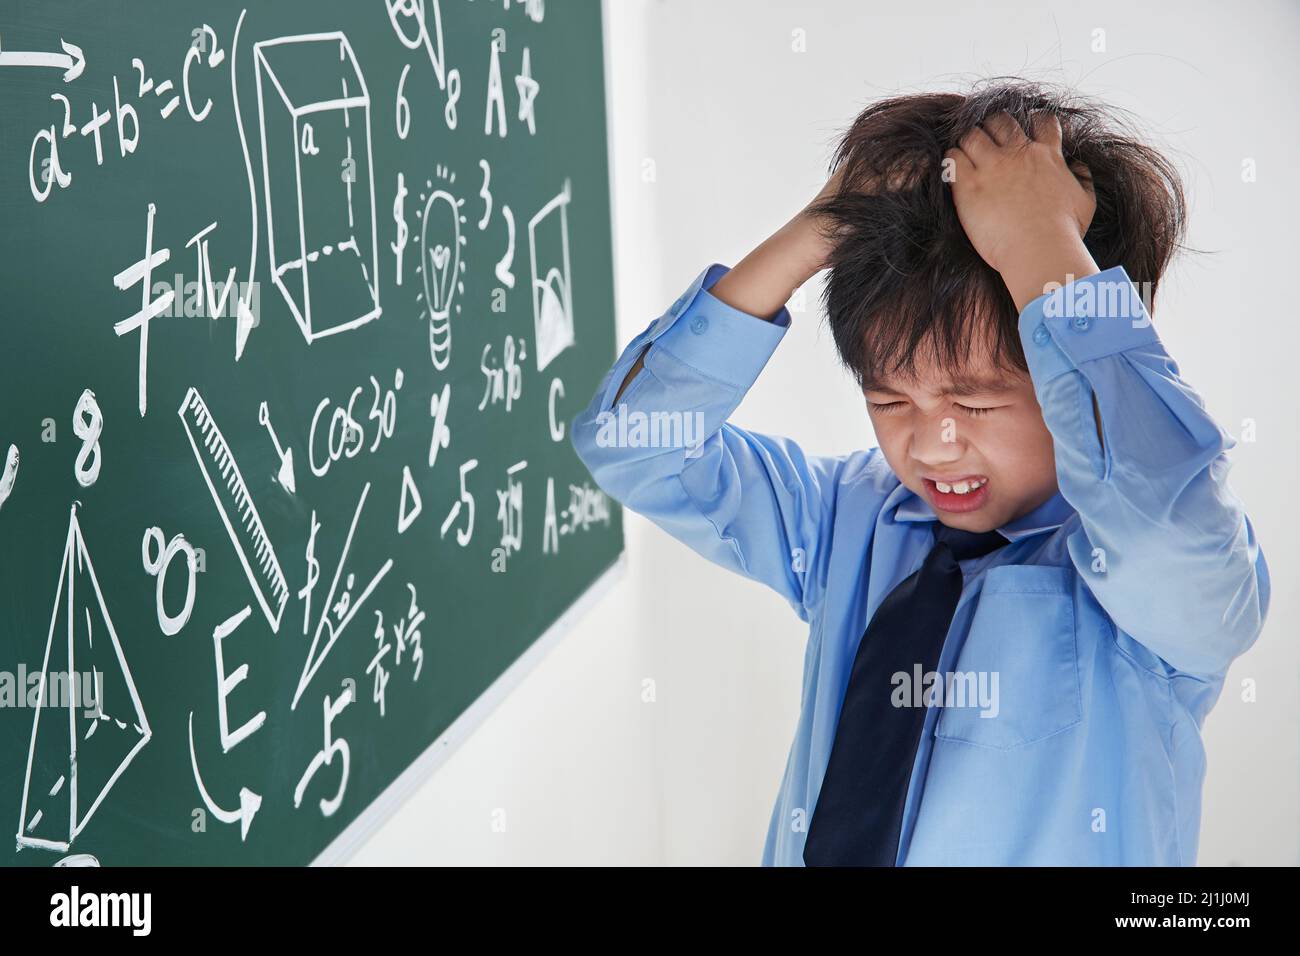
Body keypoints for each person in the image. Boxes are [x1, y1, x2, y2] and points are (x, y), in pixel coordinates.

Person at [570, 80, 1269, 866]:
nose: (932, 447)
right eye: (888, 397)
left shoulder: (1151, 583)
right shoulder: (848, 517)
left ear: (1060, 363)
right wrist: (816, 232)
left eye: (975, 403)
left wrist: (1043, 247)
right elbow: (632, 443)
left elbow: (1165, 518)